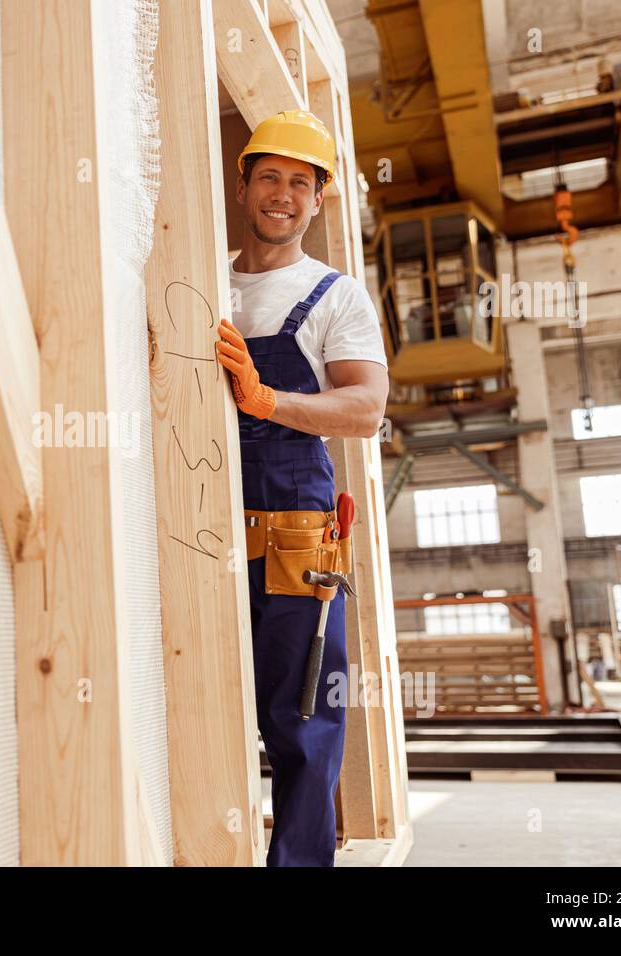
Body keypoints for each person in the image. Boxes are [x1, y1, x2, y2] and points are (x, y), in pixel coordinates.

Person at [214, 108, 389, 866]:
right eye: (269, 177)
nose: (282, 194)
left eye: (299, 183)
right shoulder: (203, 277)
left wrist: (268, 403)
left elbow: (364, 408)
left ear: (318, 201)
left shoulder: (335, 296)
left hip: (294, 538)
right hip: (201, 522)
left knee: (302, 723)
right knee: (201, 698)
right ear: (244, 184)